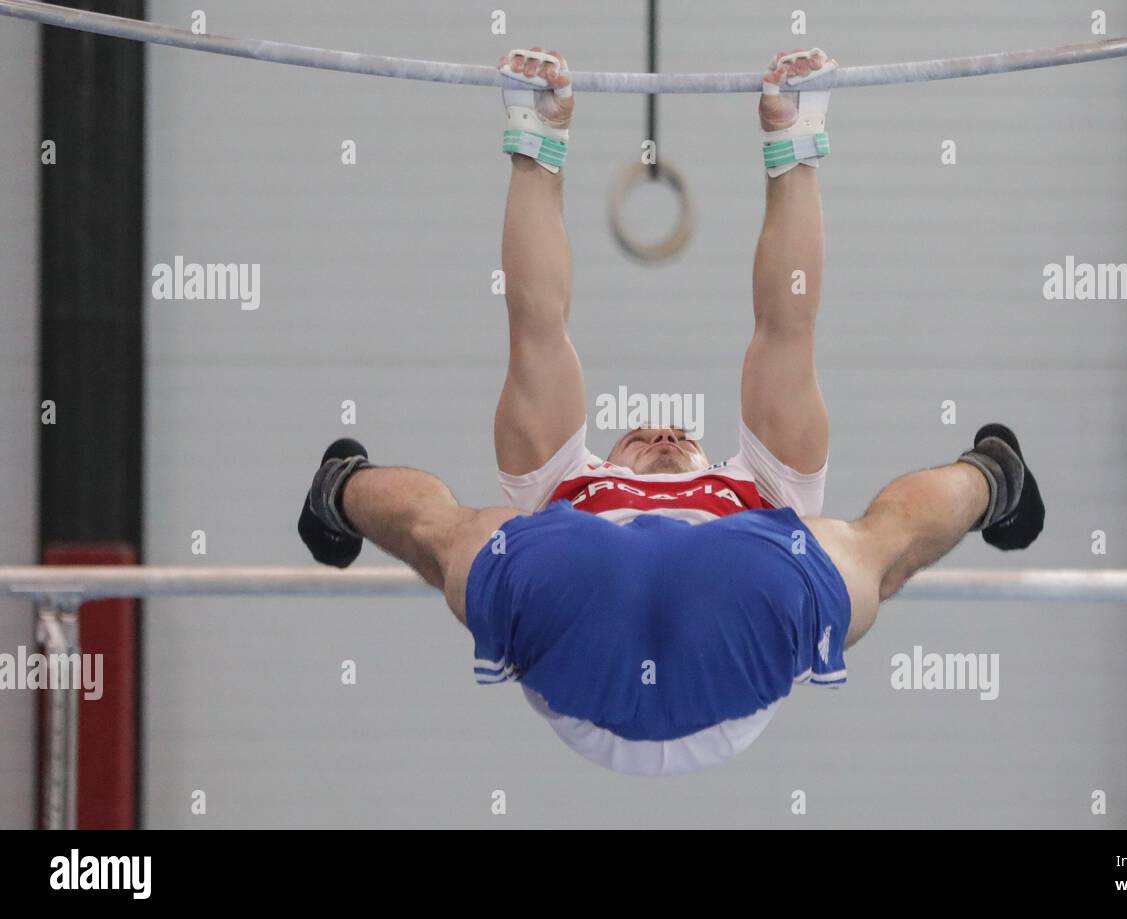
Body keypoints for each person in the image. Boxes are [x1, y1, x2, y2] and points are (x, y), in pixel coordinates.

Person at [297, 47, 1044, 776]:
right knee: (869, 548)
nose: (660, 435)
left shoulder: (564, 489)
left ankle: (340, 490)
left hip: (600, 622)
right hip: (718, 609)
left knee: (465, 536)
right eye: (647, 436)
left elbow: (785, 325)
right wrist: (541, 137)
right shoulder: (758, 490)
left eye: (670, 436)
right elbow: (536, 322)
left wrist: (788, 132)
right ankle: (993, 478)